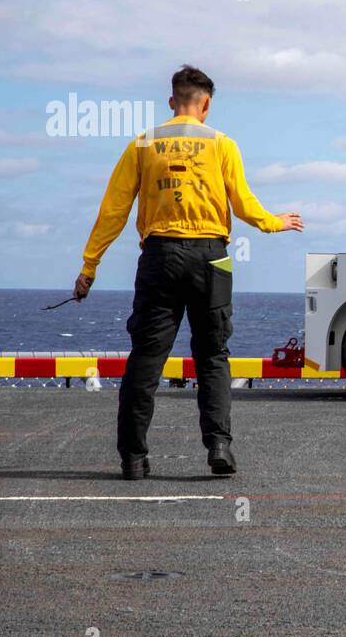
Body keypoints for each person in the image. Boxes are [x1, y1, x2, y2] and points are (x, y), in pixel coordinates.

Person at [73, 66, 303, 480]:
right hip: (211, 258)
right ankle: (219, 446)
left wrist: (90, 266)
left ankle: (133, 459)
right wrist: (274, 222)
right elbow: (244, 204)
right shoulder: (222, 144)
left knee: (145, 359)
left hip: (159, 256)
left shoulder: (142, 144)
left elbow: (113, 211)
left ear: (171, 102)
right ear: (207, 104)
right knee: (212, 356)